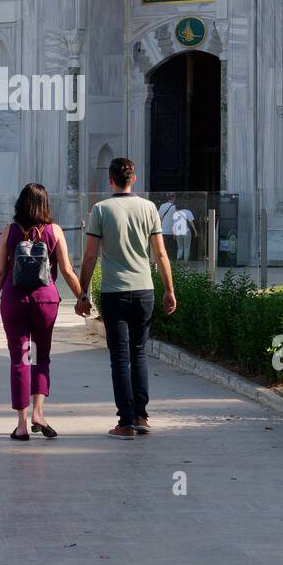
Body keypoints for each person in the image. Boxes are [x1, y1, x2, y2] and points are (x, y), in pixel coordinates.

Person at [75, 158, 177, 440]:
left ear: (110, 180)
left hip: (114, 292)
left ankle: (126, 422)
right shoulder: (148, 208)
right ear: (134, 179)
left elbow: (91, 255)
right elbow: (160, 254)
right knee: (139, 352)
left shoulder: (101, 209)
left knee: (120, 357)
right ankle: (141, 415)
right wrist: (169, 290)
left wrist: (83, 292)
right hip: (144, 290)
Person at [0, 184, 85, 441]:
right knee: (41, 357)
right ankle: (38, 414)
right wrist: (82, 297)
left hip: (14, 300)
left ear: (20, 203)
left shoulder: (9, 231)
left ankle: (21, 425)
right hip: (45, 302)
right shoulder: (54, 231)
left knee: (20, 359)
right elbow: (66, 269)